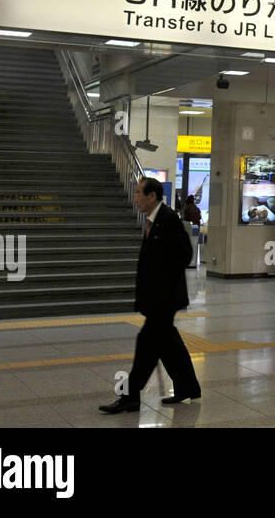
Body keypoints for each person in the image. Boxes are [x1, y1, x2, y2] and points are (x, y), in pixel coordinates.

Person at [100, 177, 200, 413]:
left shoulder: (168, 220)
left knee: (146, 346)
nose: (135, 198)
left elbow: (185, 255)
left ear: (152, 196)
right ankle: (188, 387)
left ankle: (130, 396)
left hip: (164, 298)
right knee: (168, 344)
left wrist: (161, 278)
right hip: (156, 297)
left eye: (138, 194)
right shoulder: (153, 221)